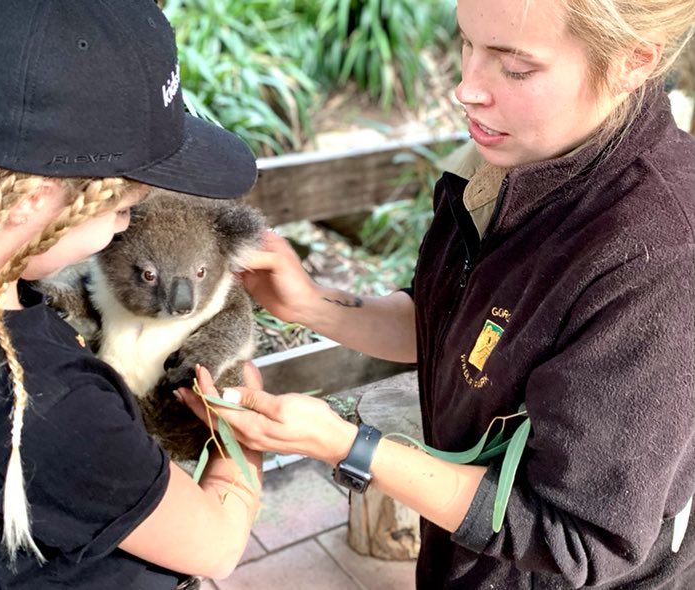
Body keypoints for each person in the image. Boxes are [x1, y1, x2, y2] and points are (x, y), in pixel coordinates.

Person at [177, 0, 695, 587]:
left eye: (516, 68)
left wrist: (347, 444)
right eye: (466, 45)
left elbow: (576, 537)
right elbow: (467, 331)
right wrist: (312, 304)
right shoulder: (510, 158)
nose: (465, 89)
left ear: (634, 61)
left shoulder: (658, 256)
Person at [0, 1, 264, 588]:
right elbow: (216, 546)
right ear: (32, 199)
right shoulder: (54, 407)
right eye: (124, 208)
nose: (125, 227)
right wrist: (240, 435)